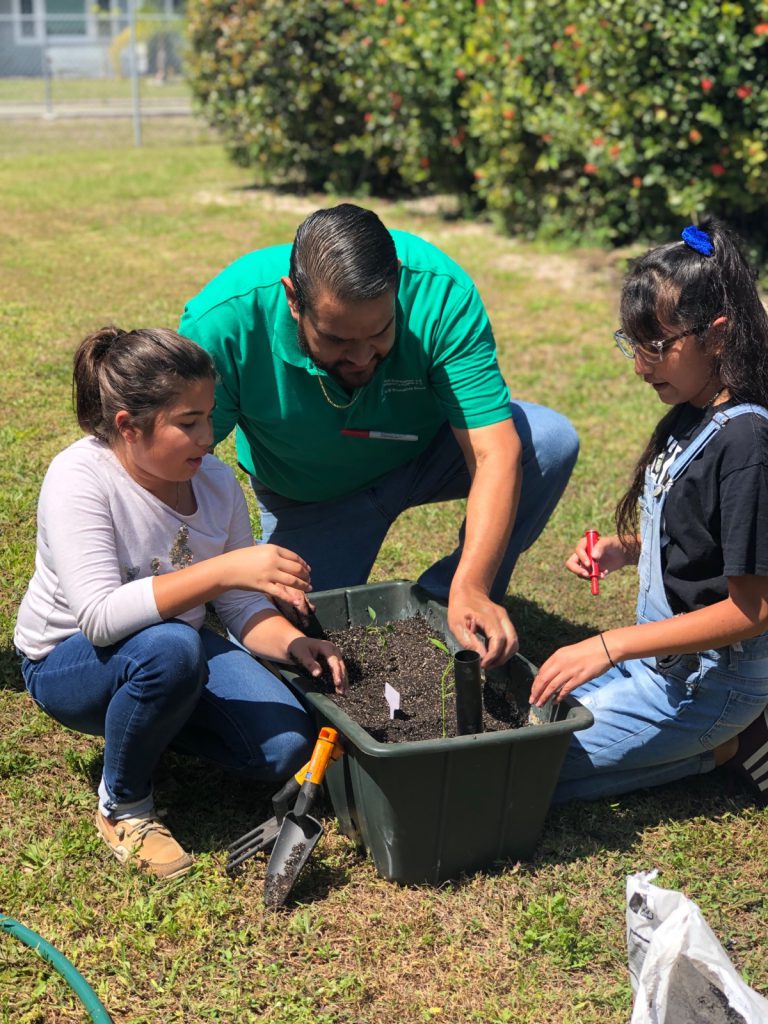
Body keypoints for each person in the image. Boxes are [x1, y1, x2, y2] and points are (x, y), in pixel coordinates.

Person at [179, 203, 579, 668]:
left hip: (424, 455)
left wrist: (471, 584)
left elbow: (494, 452)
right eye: (337, 339)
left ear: (397, 287)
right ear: (293, 299)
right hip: (310, 495)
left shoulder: (440, 293)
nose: (361, 357)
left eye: (380, 332)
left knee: (547, 442)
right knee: (289, 643)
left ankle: (446, 603)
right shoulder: (224, 322)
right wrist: (194, 572)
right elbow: (181, 461)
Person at [14, 327, 347, 880]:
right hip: (68, 662)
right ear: (128, 426)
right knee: (169, 649)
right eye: (188, 423)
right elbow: (98, 620)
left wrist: (294, 642)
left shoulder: (215, 482)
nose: (208, 437)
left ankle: (150, 720)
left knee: (286, 746)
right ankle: (123, 805)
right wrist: (223, 570)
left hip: (176, 648)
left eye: (210, 417)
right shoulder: (79, 479)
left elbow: (239, 607)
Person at [530, 219, 768, 806]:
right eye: (632, 343)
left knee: (525, 772)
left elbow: (754, 610)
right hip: (660, 664)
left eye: (656, 346)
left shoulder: (746, 443)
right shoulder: (694, 407)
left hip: (710, 683)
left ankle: (727, 743)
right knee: (527, 727)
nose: (640, 366)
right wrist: (628, 550)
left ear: (717, 336)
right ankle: (720, 746)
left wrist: (610, 645)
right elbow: (707, 541)